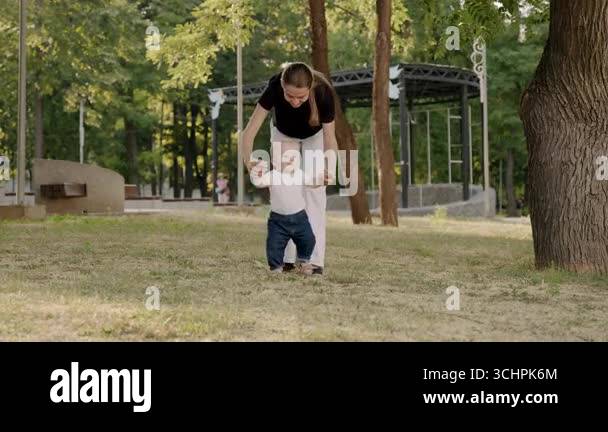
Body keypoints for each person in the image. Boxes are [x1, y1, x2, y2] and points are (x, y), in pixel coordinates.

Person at [242, 62, 339, 275]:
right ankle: (286, 259)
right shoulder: (275, 86)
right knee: (285, 192)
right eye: (290, 96)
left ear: (310, 88)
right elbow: (249, 131)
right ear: (283, 87)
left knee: (314, 193)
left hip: (314, 136)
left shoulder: (323, 92)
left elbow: (330, 138)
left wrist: (329, 170)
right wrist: (249, 163)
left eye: (301, 98)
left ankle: (312, 261)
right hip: (284, 134)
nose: (295, 102)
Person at [251, 140, 328, 275]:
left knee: (308, 239)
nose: (291, 159)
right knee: (274, 245)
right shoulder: (273, 176)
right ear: (274, 161)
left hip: (300, 218)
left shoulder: (299, 174)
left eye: (294, 156)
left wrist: (320, 180)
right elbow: (259, 182)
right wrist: (257, 172)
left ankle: (304, 261)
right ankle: (276, 267)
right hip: (278, 221)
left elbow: (312, 182)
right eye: (286, 156)